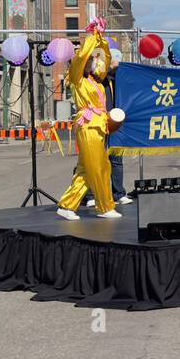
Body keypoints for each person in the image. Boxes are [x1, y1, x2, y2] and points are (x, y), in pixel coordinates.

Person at [55, 19, 120, 220]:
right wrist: (91, 37)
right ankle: (105, 206)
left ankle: (67, 205)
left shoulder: (96, 81)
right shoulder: (77, 79)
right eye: (91, 60)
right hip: (89, 126)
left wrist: (101, 40)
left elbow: (105, 61)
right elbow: (82, 56)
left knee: (85, 170)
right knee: (100, 167)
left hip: (99, 126)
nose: (94, 61)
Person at [81, 48, 131, 208]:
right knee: (93, 160)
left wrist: (117, 67)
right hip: (93, 123)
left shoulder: (111, 80)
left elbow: (118, 75)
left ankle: (118, 193)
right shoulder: (87, 78)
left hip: (112, 123)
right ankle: (89, 195)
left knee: (116, 159)